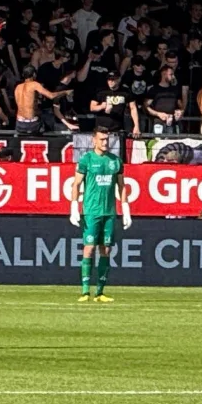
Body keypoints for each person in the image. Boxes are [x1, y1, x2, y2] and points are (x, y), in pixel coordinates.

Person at [71, 122, 131, 302]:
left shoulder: (115, 161)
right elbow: (76, 184)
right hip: (91, 212)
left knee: (106, 250)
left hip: (109, 212)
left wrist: (126, 209)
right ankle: (84, 291)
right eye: (102, 139)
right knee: (88, 249)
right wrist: (74, 207)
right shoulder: (86, 160)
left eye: (107, 139)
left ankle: (100, 292)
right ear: (94, 140)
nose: (105, 142)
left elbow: (122, 186)